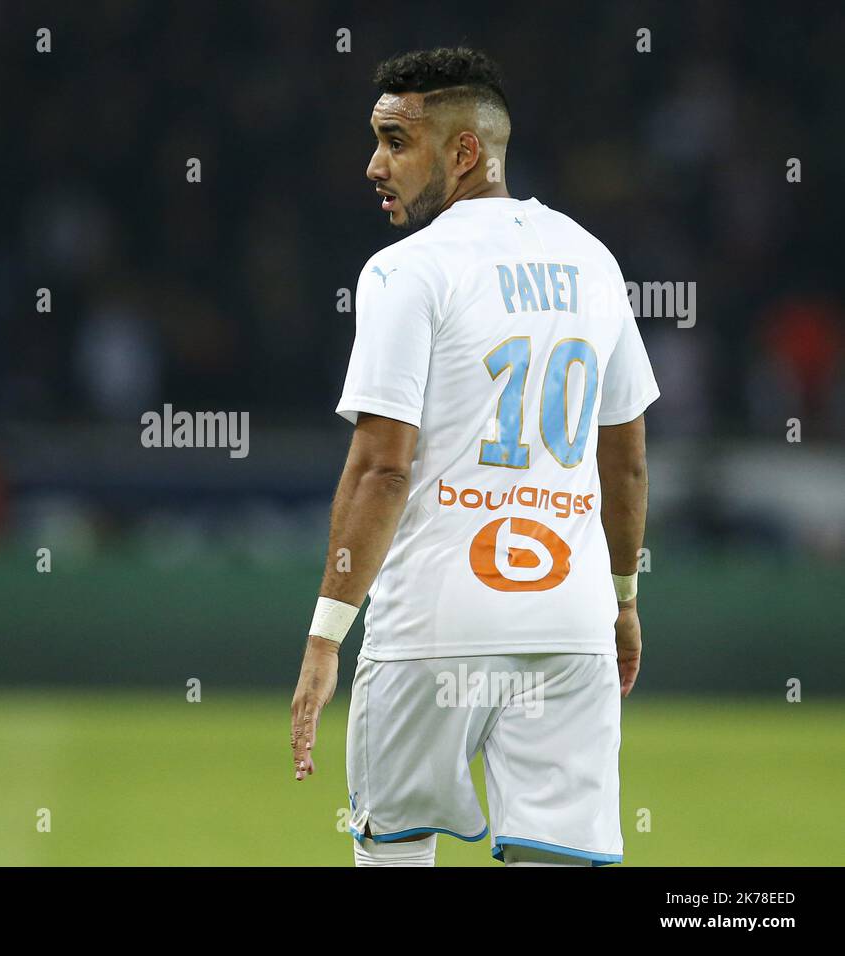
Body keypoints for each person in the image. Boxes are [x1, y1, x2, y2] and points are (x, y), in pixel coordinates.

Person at [289, 47, 659, 867]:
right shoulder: (593, 259)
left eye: (395, 141)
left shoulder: (406, 272)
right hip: (568, 622)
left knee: (394, 853)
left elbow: (382, 468)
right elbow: (626, 458)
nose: (374, 164)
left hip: (434, 621)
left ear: (463, 152)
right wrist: (623, 599)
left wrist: (324, 637)